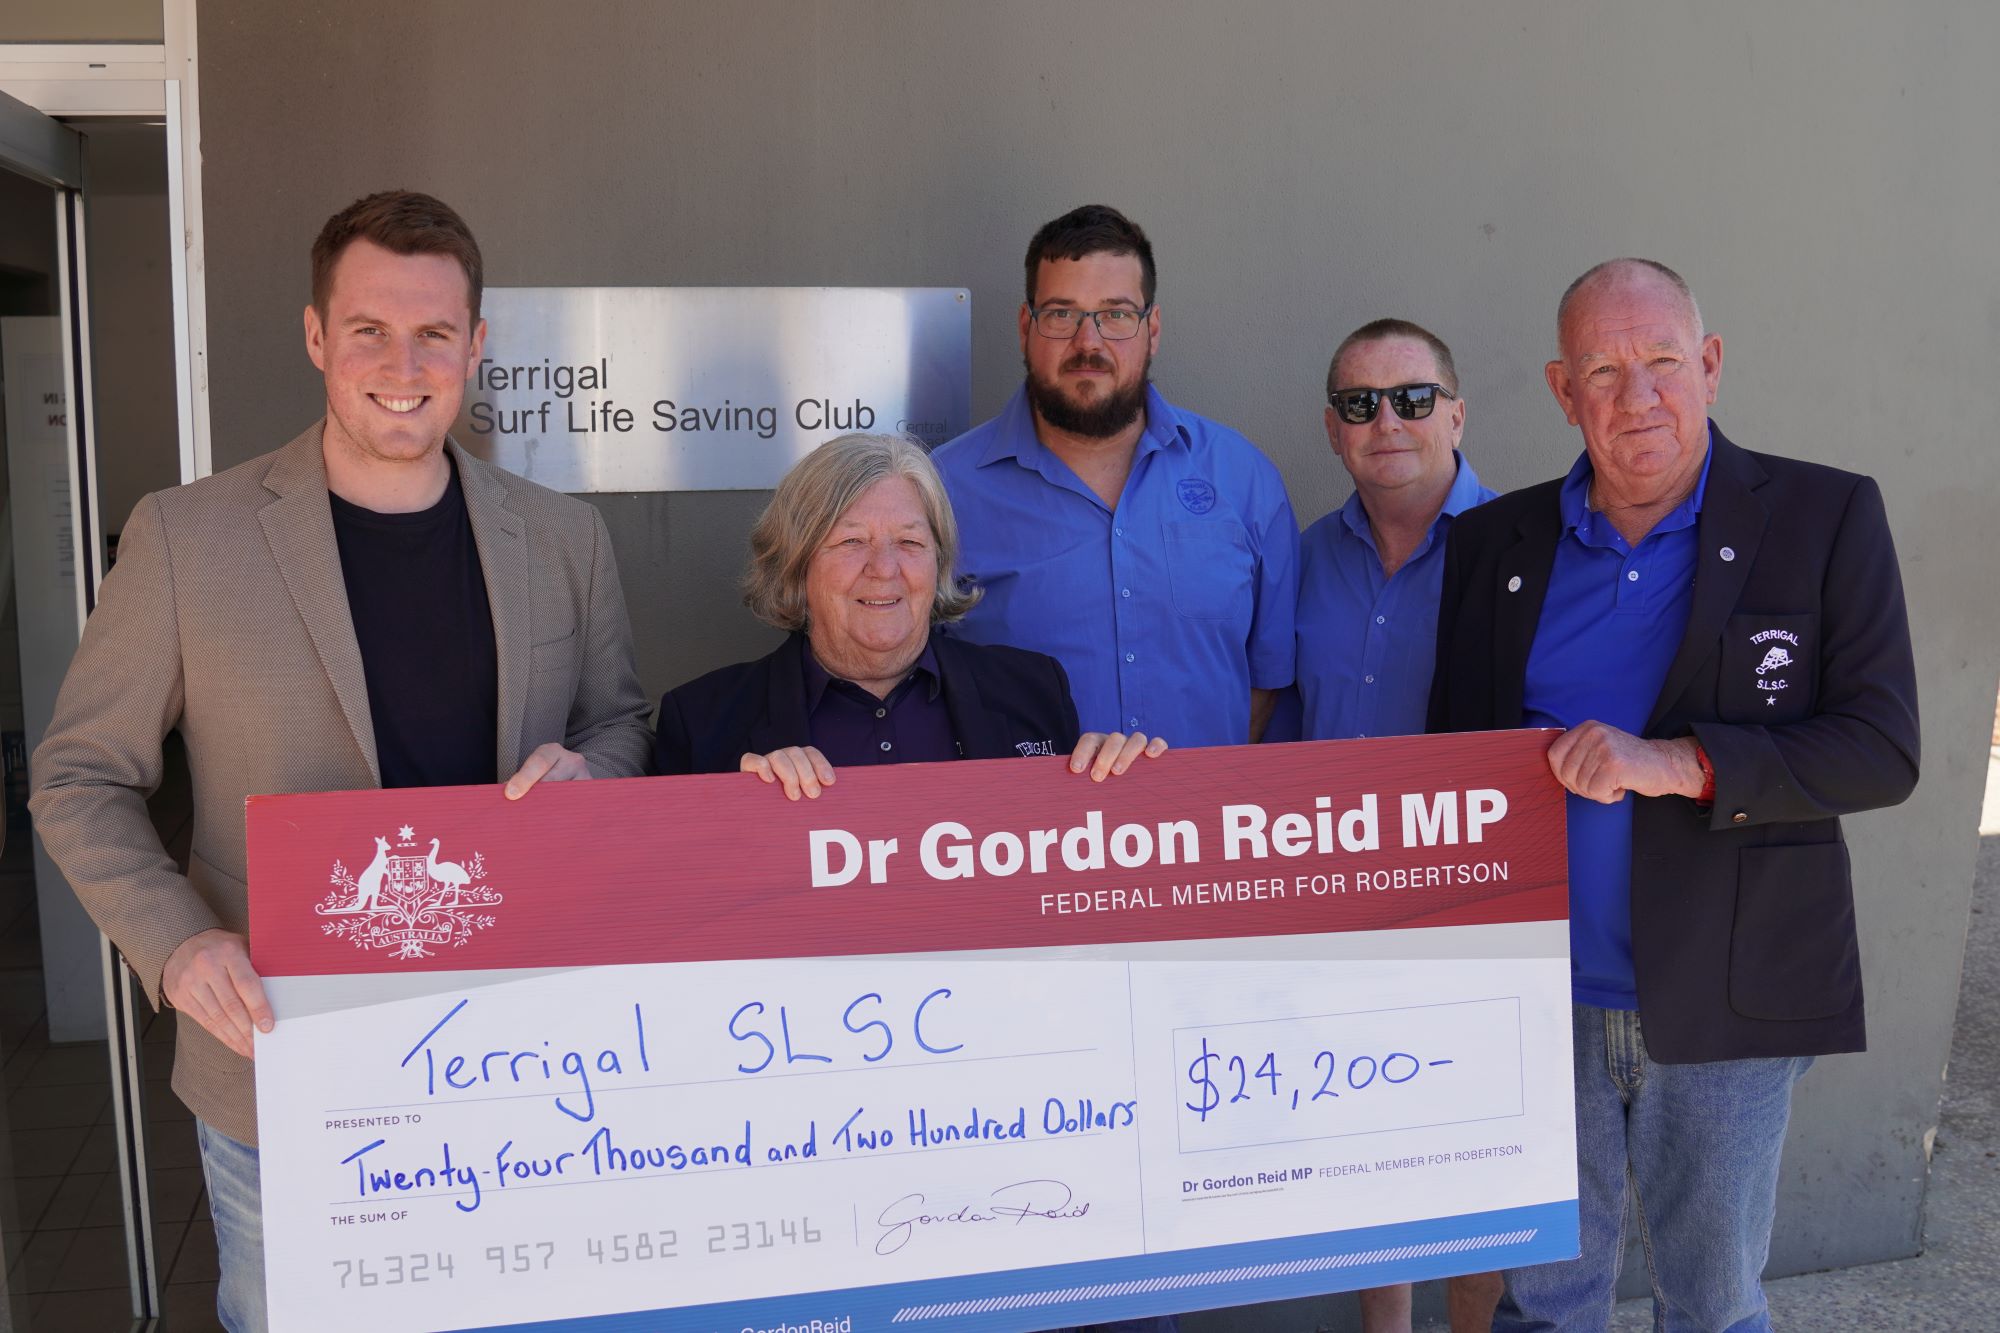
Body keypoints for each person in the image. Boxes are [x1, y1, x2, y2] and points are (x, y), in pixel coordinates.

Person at [29, 190, 654, 1332]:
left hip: (521, 1060)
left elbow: (622, 721)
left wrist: (593, 779)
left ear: (475, 343)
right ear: (317, 337)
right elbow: (77, 777)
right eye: (368, 328)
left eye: (433, 333)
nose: (401, 362)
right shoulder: (183, 536)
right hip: (281, 1065)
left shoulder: (563, 538)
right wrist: (174, 948)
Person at [1428, 259, 1919, 1330]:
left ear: (1707, 365)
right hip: (1538, 1000)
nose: (1634, 396)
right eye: (1601, 371)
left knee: (1709, 1306)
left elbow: (1879, 748)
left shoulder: (1822, 516)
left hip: (1729, 999)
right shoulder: (1489, 545)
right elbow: (1449, 761)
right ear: (1562, 392)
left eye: (1659, 361)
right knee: (1544, 1305)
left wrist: (1679, 761)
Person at [1291, 318, 1502, 1330]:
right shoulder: (1300, 561)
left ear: (1455, 413)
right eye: (1358, 402)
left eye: (1412, 398)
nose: (1386, 421)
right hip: (1337, 908)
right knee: (1369, 1146)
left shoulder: (1526, 551)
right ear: (1331, 430)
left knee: (1473, 1163)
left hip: (1476, 909)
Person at [933, 205, 1298, 750]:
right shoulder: (939, 491)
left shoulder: (1244, 481)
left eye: (1116, 314)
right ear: (1025, 327)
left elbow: (1267, 684)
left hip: (1201, 826)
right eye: (1061, 313)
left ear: (1152, 329)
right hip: (1023, 833)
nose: (1089, 342)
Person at [656, 431, 1168, 790]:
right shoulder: (702, 722)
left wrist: (1112, 791)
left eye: (909, 541)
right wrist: (738, 808)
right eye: (851, 540)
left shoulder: (1034, 691)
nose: (884, 568)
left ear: (938, 560)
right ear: (797, 564)